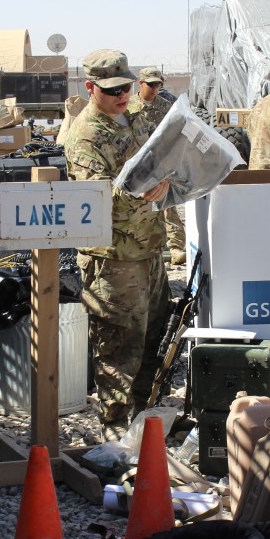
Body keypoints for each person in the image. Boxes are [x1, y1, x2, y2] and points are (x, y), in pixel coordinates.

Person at [64, 49, 171, 439]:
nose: (122, 95)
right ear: (89, 87)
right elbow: (93, 198)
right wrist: (141, 190)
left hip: (148, 248)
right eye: (111, 90)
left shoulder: (135, 118)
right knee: (118, 345)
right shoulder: (86, 134)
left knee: (152, 337)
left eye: (125, 87)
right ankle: (114, 429)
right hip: (114, 259)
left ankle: (144, 424)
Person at [127, 67, 187, 265]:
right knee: (139, 207)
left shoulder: (166, 107)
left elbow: (176, 131)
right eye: (151, 84)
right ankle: (142, 247)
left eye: (158, 85)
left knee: (168, 205)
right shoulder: (128, 107)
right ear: (140, 83)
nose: (155, 89)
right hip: (138, 164)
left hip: (161, 162)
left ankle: (176, 247)